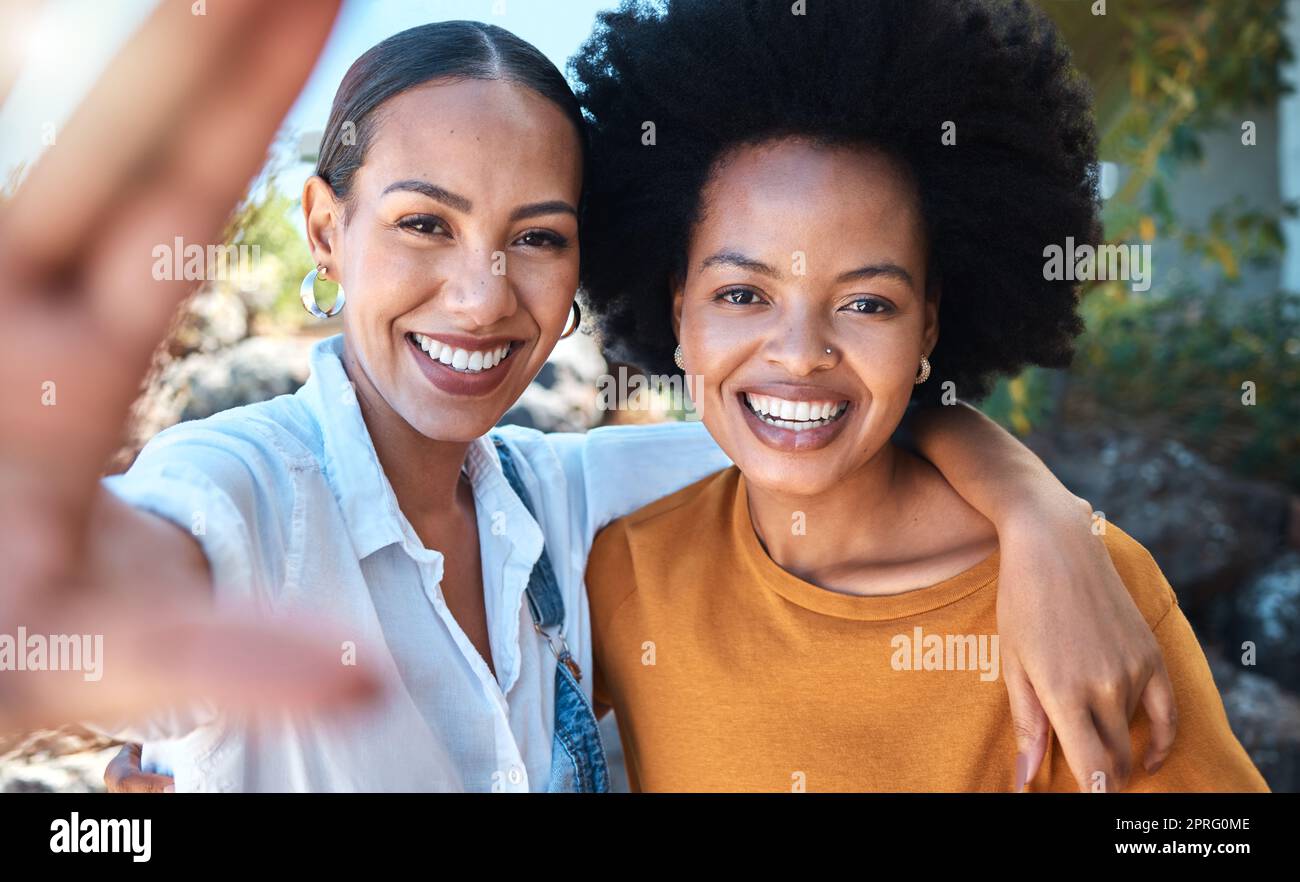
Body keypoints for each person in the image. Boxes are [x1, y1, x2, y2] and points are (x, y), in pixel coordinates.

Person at [19, 13, 1154, 792]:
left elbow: (810, 412)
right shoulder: (245, 494)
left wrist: (1045, 524)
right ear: (326, 229)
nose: (480, 295)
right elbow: (113, 593)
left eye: (537, 238)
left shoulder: (570, 495)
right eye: (425, 222)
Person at [575, 0, 1266, 792]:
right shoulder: (625, 572)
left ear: (928, 324)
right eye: (741, 294)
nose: (800, 356)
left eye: (867, 303)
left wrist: (1041, 521)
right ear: (676, 309)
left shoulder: (1077, 588)